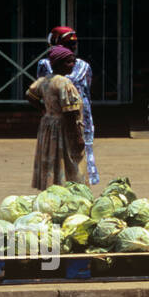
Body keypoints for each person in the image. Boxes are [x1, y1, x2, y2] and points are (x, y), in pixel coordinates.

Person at [35, 26, 98, 185]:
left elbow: (86, 90)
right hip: (58, 117)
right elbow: (41, 90)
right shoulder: (46, 65)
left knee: (81, 152)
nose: (73, 47)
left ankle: (81, 187)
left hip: (80, 117)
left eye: (74, 44)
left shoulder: (84, 66)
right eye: (67, 43)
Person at [26, 46, 85, 190]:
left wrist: (45, 110)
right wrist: (77, 137)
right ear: (57, 64)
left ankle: (53, 188)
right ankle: (70, 192)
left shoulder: (44, 80)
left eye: (73, 62)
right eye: (68, 62)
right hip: (65, 128)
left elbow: (30, 94)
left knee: (52, 158)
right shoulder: (64, 83)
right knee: (69, 160)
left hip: (48, 125)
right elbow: (70, 112)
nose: (72, 65)